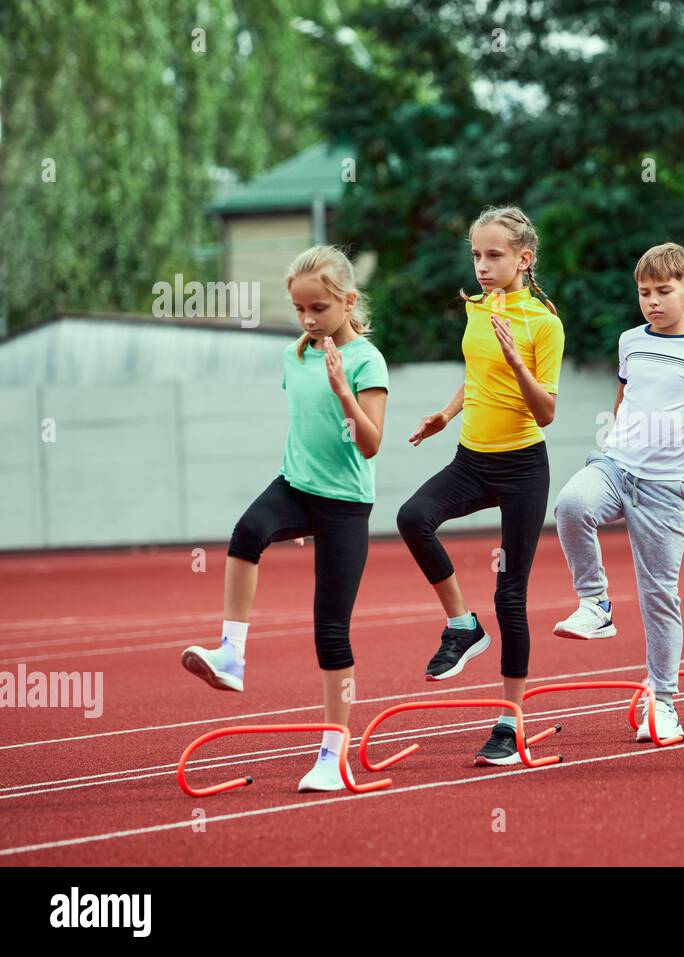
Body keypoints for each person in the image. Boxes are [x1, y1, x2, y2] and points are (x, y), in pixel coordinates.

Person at [181, 245, 389, 791]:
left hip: (345, 501)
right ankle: (231, 655)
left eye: (318, 308)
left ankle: (333, 753)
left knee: (330, 630)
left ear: (347, 301)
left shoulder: (367, 360)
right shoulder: (294, 356)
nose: (307, 319)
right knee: (247, 532)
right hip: (296, 485)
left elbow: (370, 445)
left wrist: (345, 391)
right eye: (299, 309)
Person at [552, 242, 684, 743]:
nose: (652, 301)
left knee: (658, 597)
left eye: (663, 291)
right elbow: (624, 394)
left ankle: (664, 702)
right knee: (571, 504)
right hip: (617, 464)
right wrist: (618, 433)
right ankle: (596, 605)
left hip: (666, 486)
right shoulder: (629, 341)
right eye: (644, 292)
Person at [396, 205, 564, 766]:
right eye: (476, 254)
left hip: (522, 467)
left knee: (510, 595)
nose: (484, 265)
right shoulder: (476, 307)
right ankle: (462, 627)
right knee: (412, 518)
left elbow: (546, 413)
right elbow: (475, 375)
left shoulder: (543, 323)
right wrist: (445, 414)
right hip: (472, 458)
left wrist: (519, 362)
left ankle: (508, 724)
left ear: (524, 258)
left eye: (494, 255)